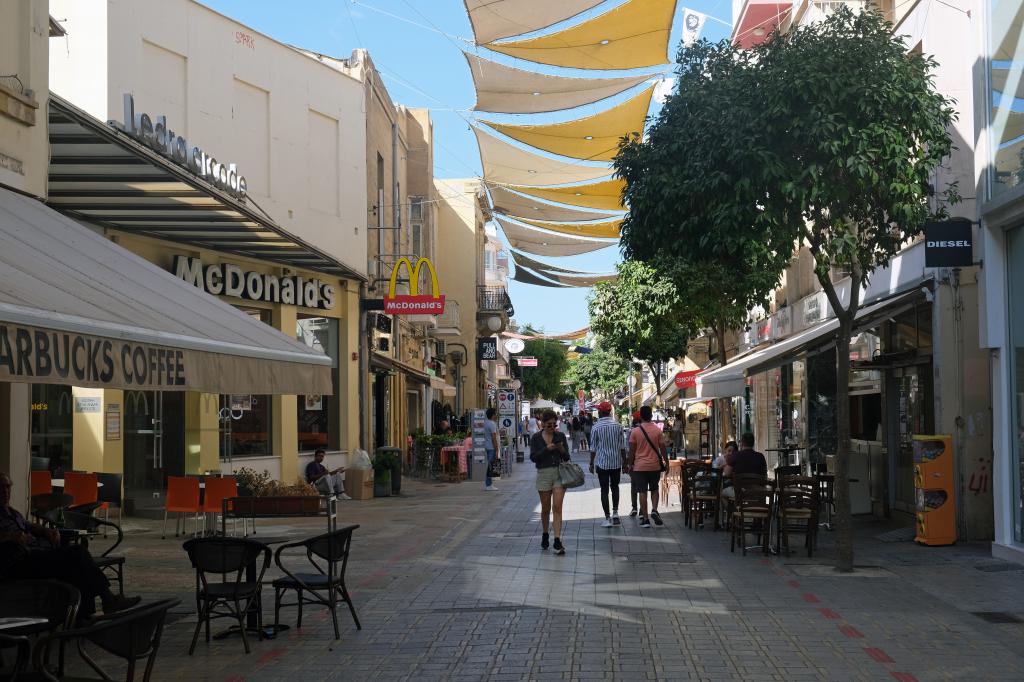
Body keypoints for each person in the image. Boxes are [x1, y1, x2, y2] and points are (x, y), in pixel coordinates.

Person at [0, 472, 140, 618]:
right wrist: (10, 536)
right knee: (77, 553)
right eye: (1, 487)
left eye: (7, 487)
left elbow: (28, 525)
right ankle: (107, 599)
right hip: (21, 560)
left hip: (40, 552)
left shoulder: (13, 513)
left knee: (76, 570)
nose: (5, 491)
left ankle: (84, 618)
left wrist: (46, 530)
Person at [529, 409, 570, 555]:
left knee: (557, 507)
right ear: (542, 424)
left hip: (559, 473)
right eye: (549, 425)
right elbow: (533, 457)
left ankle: (557, 540)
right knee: (545, 509)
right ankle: (545, 533)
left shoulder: (559, 436)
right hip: (543, 474)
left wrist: (561, 449)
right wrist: (546, 449)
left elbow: (566, 457)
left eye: (554, 424)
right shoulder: (536, 438)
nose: (552, 428)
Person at [627, 406, 669, 528]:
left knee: (642, 491)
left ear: (640, 416)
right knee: (654, 488)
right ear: (651, 416)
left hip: (639, 467)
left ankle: (645, 519)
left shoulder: (635, 431)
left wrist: (630, 465)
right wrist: (667, 462)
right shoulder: (657, 431)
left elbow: (631, 451)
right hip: (655, 465)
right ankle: (654, 509)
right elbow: (663, 449)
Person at [588, 402, 625, 527]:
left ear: (600, 412)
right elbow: (622, 447)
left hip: (602, 463)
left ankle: (608, 518)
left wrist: (591, 463)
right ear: (609, 411)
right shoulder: (618, 426)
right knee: (615, 487)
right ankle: (615, 513)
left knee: (604, 490)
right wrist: (625, 463)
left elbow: (593, 448)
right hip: (616, 463)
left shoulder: (596, 427)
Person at [722, 433, 767, 500]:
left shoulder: (736, 456)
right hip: (758, 492)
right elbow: (765, 474)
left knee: (722, 493)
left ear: (742, 443)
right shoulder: (760, 456)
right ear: (753, 443)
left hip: (741, 492)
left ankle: (734, 509)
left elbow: (726, 473)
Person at [483, 407, 500, 491]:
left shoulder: (485, 423)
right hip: (491, 447)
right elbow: (494, 438)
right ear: (493, 415)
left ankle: (489, 484)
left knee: (490, 465)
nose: (496, 415)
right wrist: (496, 449)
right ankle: (488, 484)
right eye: (495, 414)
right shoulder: (492, 424)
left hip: (486, 446)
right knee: (490, 466)